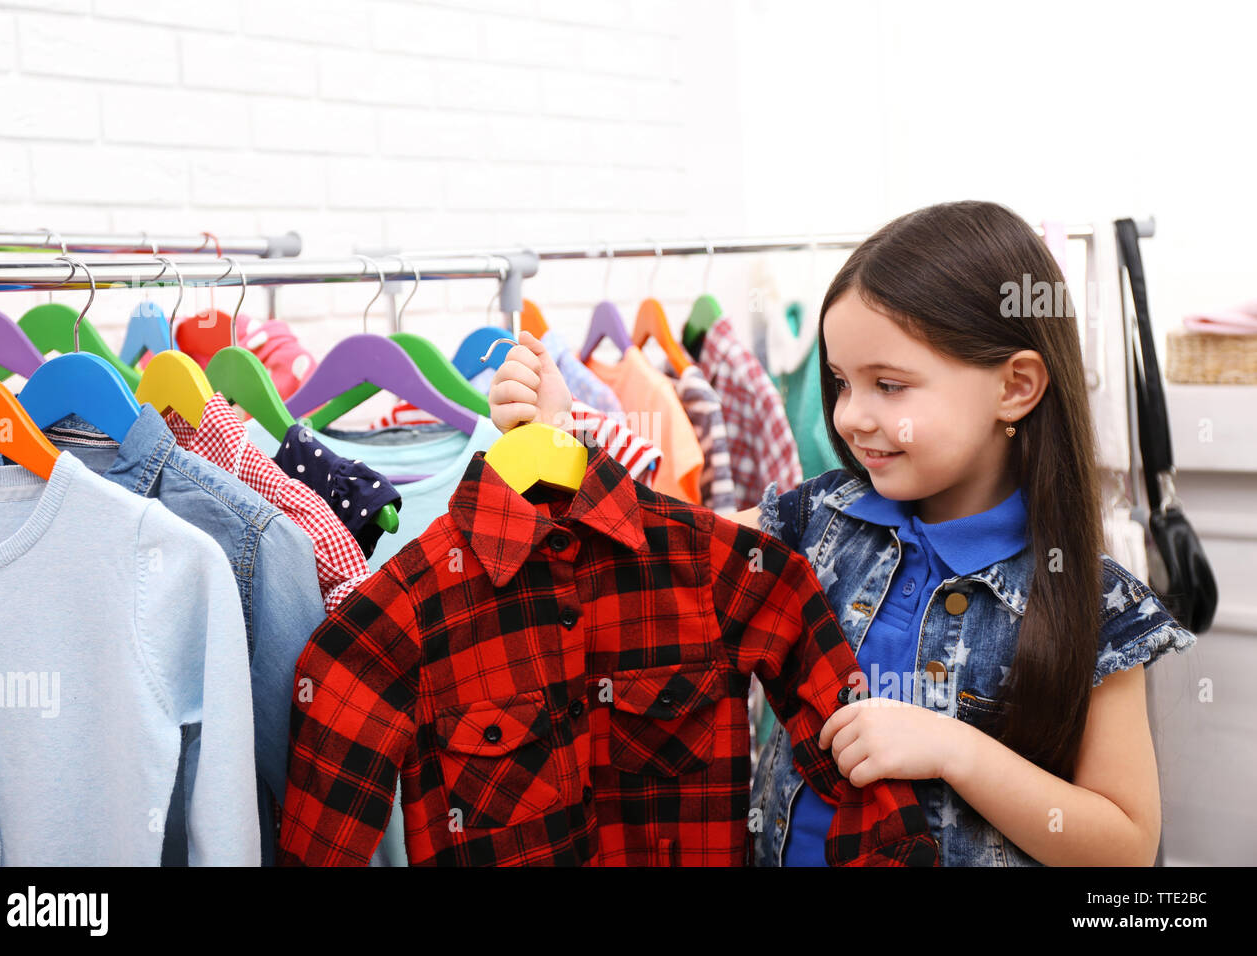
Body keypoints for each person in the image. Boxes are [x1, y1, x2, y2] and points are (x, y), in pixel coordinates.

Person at [486, 200, 1197, 866]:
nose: (851, 415)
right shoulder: (813, 521)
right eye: (841, 381)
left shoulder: (1093, 603)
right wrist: (558, 438)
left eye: (888, 385)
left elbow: (1125, 842)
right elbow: (659, 540)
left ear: (1014, 388)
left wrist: (953, 749)